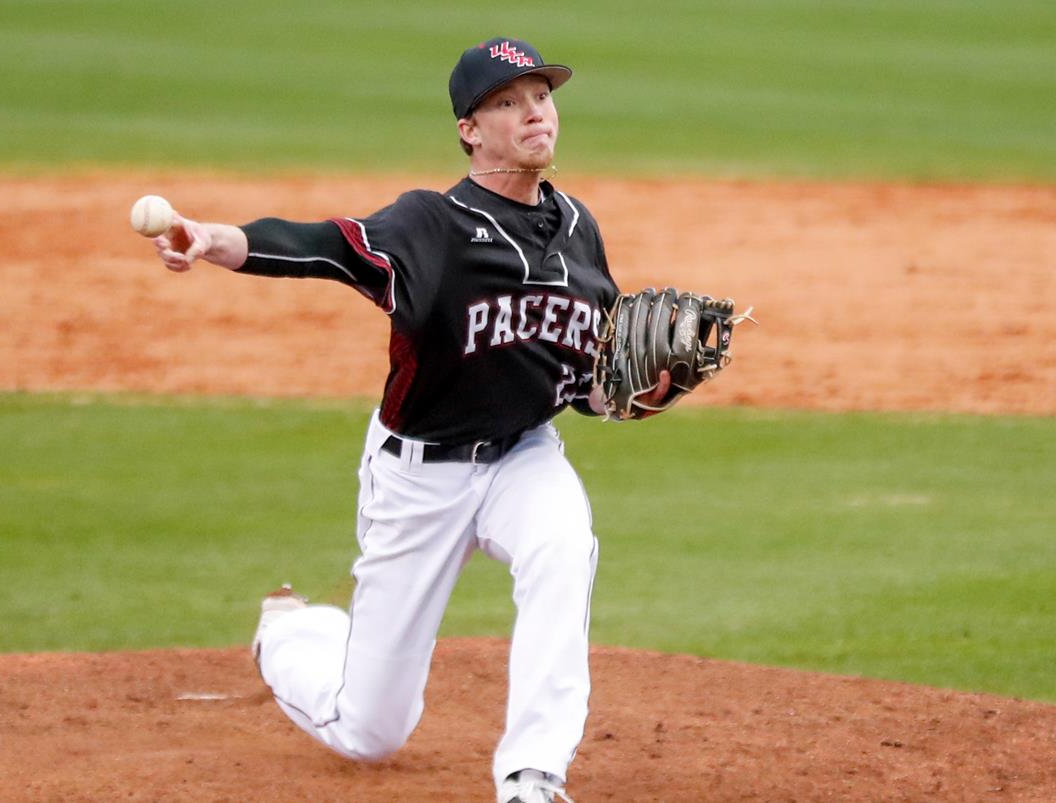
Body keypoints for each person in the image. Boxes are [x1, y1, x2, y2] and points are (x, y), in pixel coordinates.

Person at [150, 37, 669, 803]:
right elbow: (326, 246)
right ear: (470, 129)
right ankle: (289, 633)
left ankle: (533, 775)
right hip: (419, 477)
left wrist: (634, 394)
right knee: (371, 730)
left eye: (541, 96)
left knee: (564, 544)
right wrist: (217, 240)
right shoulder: (431, 224)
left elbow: (582, 378)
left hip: (524, 456)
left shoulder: (578, 228)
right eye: (507, 101)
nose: (534, 111)